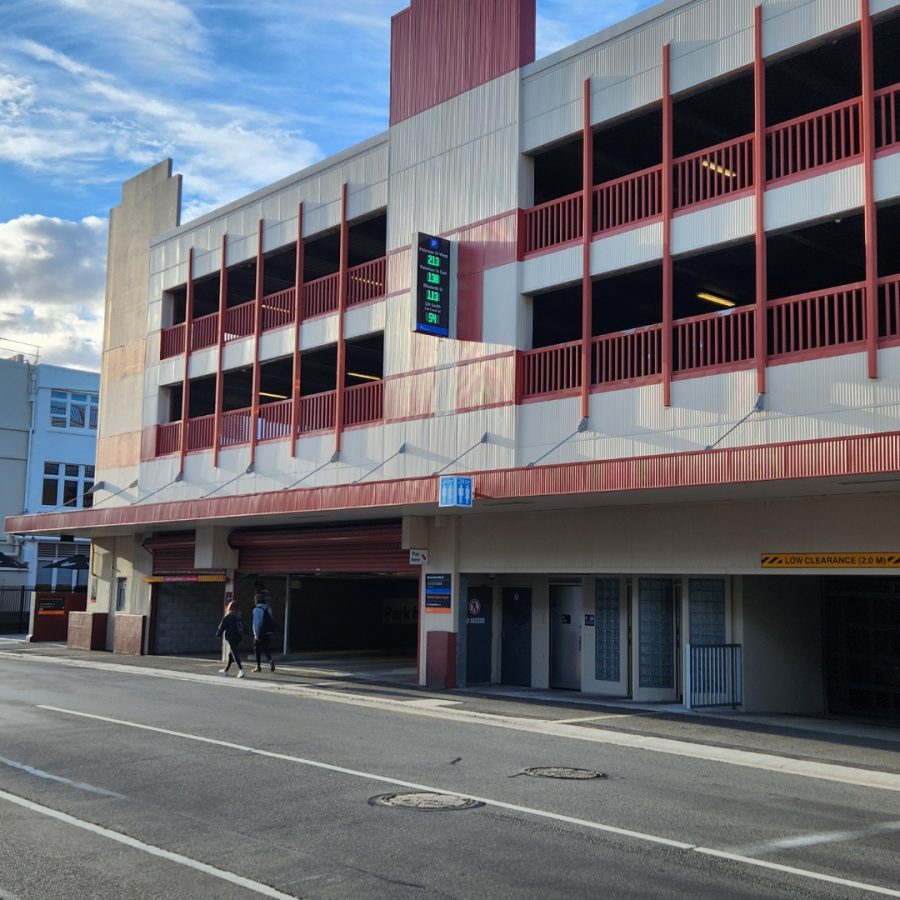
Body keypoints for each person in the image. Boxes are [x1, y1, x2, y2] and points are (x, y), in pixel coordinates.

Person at [216, 600, 246, 678]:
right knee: (231, 654)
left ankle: (241, 670)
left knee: (234, 653)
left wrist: (218, 634)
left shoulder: (228, 616)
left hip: (231, 637)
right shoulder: (239, 616)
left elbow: (222, 626)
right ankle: (226, 670)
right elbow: (243, 626)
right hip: (238, 637)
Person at [251, 582, 276, 673]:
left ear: (257, 601)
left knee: (257, 649)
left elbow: (256, 623)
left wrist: (256, 634)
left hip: (260, 632)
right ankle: (270, 660)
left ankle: (258, 666)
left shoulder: (256, 610)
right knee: (266, 647)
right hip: (267, 632)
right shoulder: (268, 608)